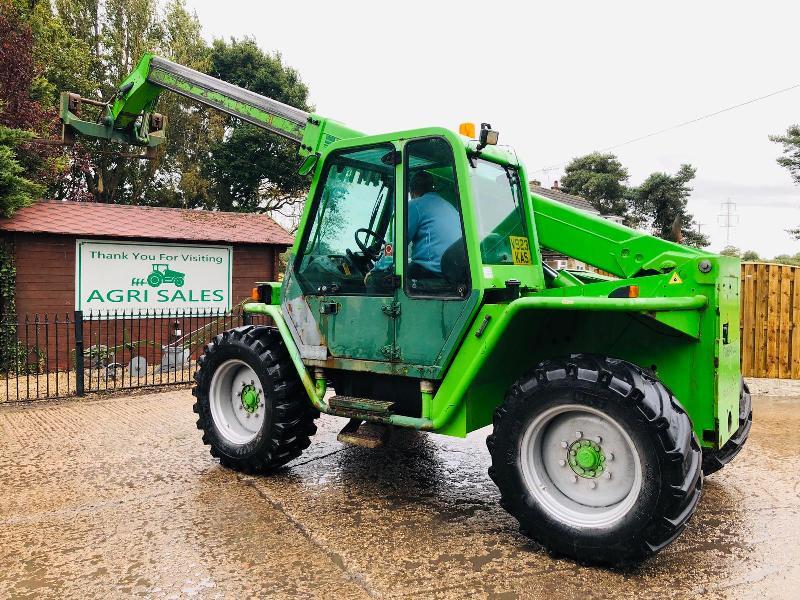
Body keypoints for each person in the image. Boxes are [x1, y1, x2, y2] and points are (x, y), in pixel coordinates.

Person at [406, 171, 461, 279]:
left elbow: (398, 243)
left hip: (431, 273)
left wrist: (377, 268)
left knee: (380, 280)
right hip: (454, 272)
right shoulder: (449, 207)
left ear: (412, 192)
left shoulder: (415, 205)